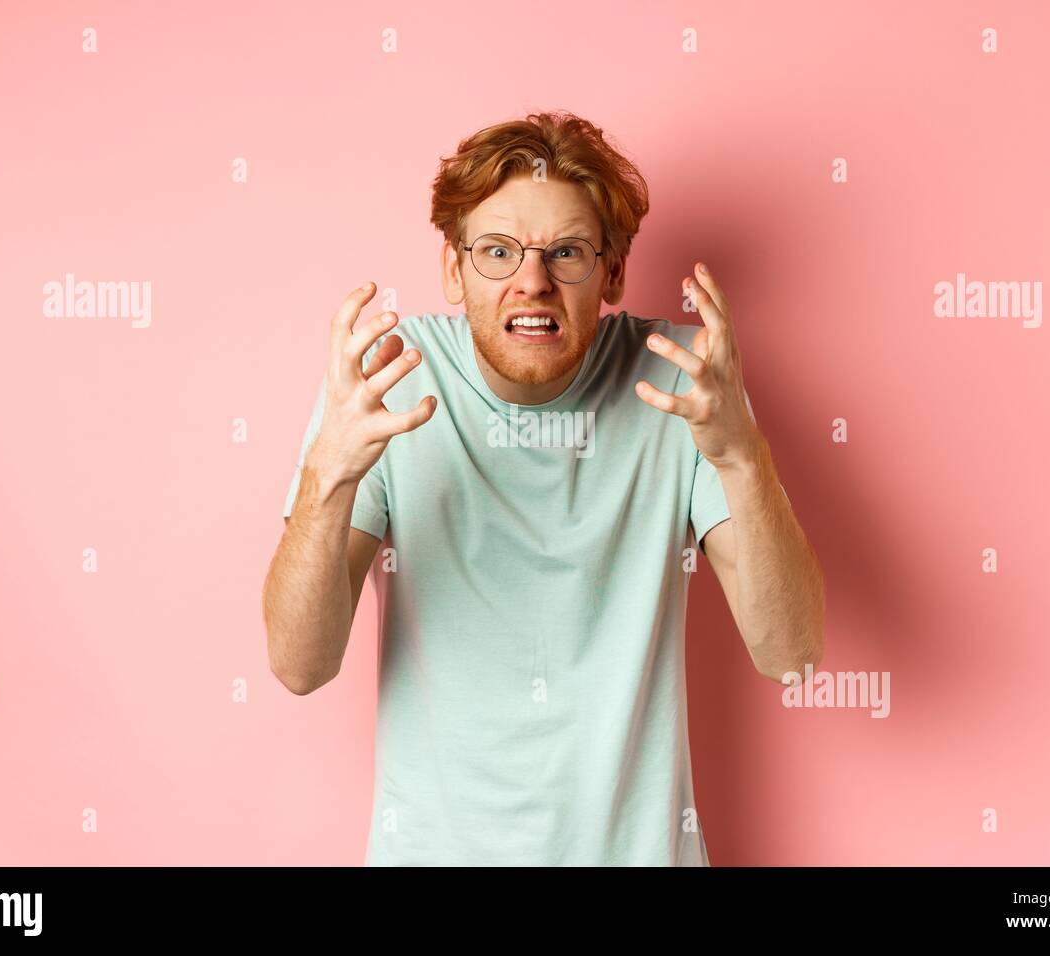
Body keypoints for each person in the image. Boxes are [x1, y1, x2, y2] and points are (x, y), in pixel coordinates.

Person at [262, 110, 826, 866]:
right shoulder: (391, 381)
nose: (532, 282)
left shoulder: (685, 381)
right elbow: (300, 665)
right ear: (454, 269)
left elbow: (790, 652)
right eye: (497, 251)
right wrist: (327, 473)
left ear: (614, 272)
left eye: (566, 252)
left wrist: (742, 460)